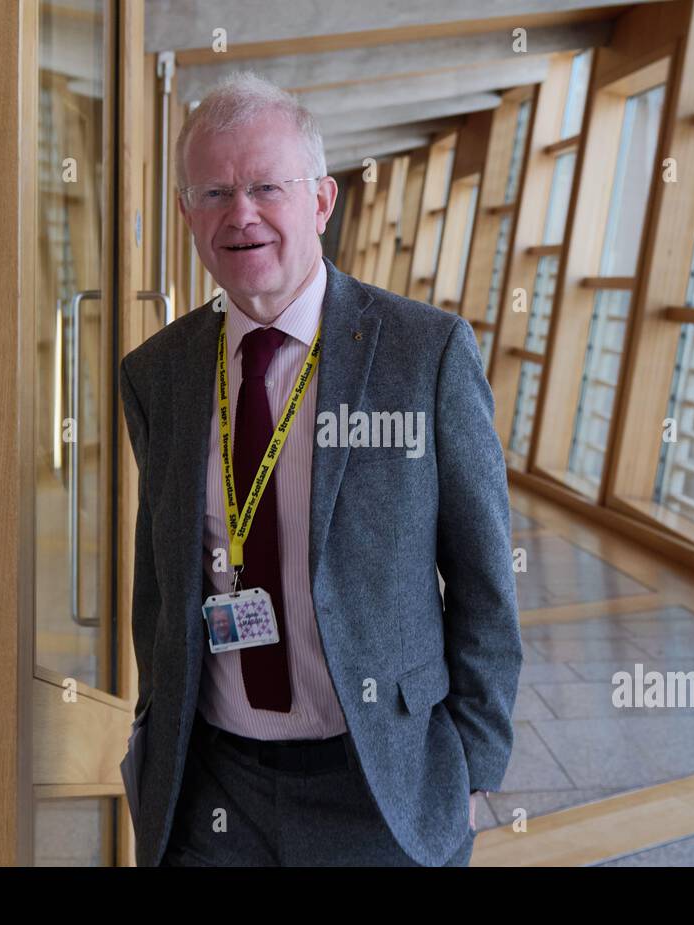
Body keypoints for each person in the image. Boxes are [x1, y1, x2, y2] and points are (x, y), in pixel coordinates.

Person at [118, 71, 521, 867]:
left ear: (322, 202)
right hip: (212, 790)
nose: (242, 215)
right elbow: (160, 585)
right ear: (186, 215)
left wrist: (473, 767)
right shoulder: (156, 374)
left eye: (267, 186)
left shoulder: (424, 354)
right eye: (214, 192)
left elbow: (483, 580)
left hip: (379, 786)